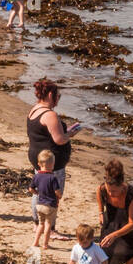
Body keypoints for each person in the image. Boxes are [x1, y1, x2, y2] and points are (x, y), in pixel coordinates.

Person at [26, 78, 82, 240]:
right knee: (52, 195)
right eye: (58, 96)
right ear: (51, 95)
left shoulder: (34, 109)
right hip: (52, 162)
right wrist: (70, 134)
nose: (58, 100)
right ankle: (50, 229)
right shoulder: (50, 115)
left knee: (39, 191)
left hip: (38, 156)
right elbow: (59, 139)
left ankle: (37, 223)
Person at [29, 149, 62, 249]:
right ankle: (45, 244)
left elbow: (31, 189)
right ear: (52, 165)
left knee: (40, 224)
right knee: (48, 225)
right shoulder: (53, 178)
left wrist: (37, 193)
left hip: (39, 204)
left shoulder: (37, 176)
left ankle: (35, 242)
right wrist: (60, 195)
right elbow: (57, 192)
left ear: (39, 164)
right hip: (50, 205)